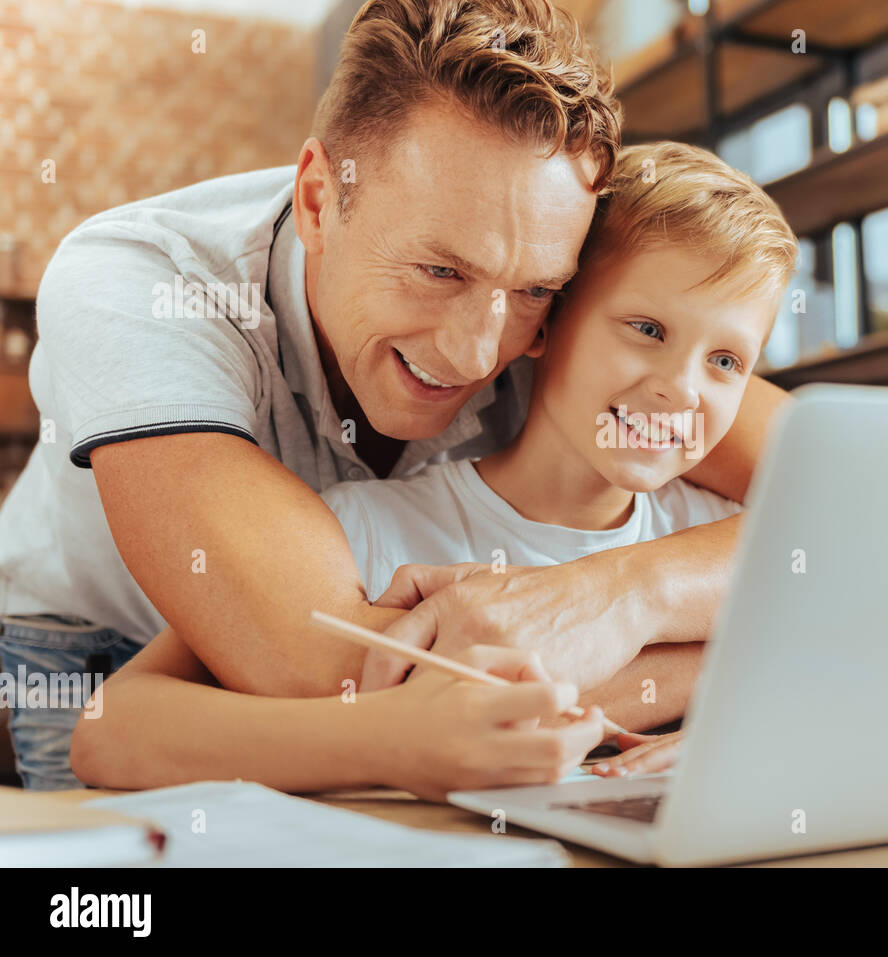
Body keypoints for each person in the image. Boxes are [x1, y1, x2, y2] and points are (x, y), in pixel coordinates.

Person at [0, 0, 784, 790]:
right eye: (440, 271)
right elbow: (326, 669)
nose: (480, 350)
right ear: (318, 200)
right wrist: (734, 653)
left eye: (537, 291)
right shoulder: (140, 283)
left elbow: (860, 509)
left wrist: (624, 597)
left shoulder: (569, 294)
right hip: (107, 657)